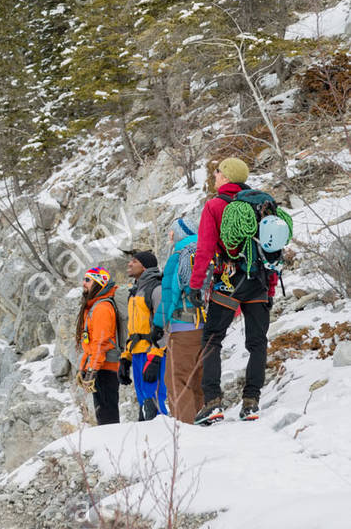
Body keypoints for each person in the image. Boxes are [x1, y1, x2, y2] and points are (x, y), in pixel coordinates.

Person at [189, 157, 279, 425]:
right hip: (258, 282)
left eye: (218, 172)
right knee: (257, 342)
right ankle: (251, 402)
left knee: (211, 339)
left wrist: (196, 284)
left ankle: (212, 403)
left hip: (228, 281)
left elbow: (204, 249)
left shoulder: (215, 205)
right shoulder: (261, 204)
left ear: (226, 176)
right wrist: (271, 287)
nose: (215, 175)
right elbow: (272, 249)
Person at [152, 216, 205, 424]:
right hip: (207, 326)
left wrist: (158, 325)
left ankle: (185, 426)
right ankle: (203, 420)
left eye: (172, 232)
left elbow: (169, 294)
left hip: (184, 327)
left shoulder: (178, 256)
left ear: (179, 233)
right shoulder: (207, 252)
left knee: (177, 378)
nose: (170, 236)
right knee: (198, 378)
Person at [119, 251, 168, 421]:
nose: (129, 264)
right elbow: (131, 328)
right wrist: (126, 357)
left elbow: (164, 325)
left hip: (152, 353)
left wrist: (156, 355)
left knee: (155, 402)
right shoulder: (135, 291)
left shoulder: (156, 289)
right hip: (137, 353)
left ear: (145, 266)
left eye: (134, 261)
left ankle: (165, 434)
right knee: (144, 403)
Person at [75, 268, 121, 426]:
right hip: (100, 366)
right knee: (103, 413)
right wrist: (83, 368)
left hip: (105, 367)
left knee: (107, 416)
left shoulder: (102, 308)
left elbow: (101, 343)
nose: (84, 283)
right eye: (84, 279)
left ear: (99, 283)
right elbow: (90, 346)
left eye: (88, 280)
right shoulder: (94, 306)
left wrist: (92, 370)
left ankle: (111, 441)